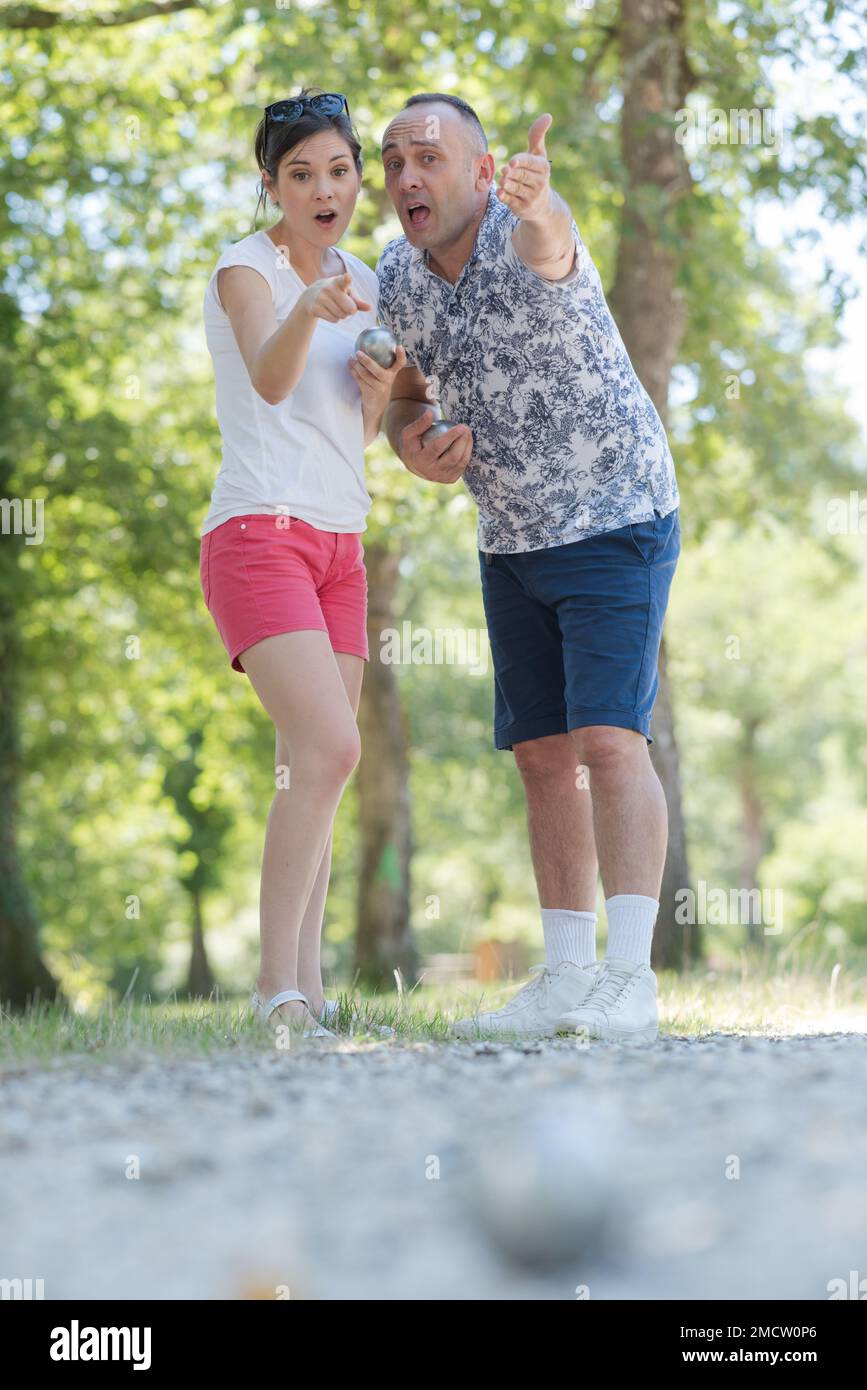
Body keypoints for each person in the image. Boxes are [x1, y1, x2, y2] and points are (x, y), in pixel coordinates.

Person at [375, 95, 681, 1044]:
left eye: (427, 157)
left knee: (608, 743)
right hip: (509, 537)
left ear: (480, 173)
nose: (403, 178)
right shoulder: (396, 275)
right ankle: (564, 976)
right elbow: (406, 393)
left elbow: (552, 246)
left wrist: (540, 201)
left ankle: (629, 978)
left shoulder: (525, 226)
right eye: (390, 162)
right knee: (542, 756)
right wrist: (410, 443)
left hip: (614, 513)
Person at [199, 88, 406, 1037]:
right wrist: (309, 306)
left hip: (339, 545)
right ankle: (272, 987)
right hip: (256, 537)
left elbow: (343, 433)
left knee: (311, 770)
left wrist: (373, 392)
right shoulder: (246, 271)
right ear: (271, 185)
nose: (324, 189)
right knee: (330, 749)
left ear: (357, 174)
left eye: (338, 170)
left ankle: (309, 993)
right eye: (300, 174)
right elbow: (272, 379)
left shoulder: (365, 275)